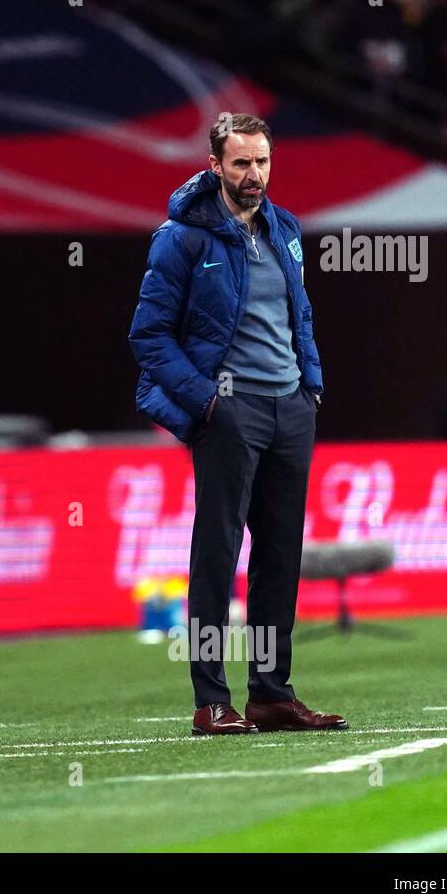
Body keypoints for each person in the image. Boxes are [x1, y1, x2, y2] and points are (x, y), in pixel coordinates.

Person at [128, 112, 346, 737]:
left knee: (279, 557)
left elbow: (299, 315)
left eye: (263, 161)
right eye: (242, 163)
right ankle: (211, 700)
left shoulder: (285, 228)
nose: (255, 174)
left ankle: (271, 694)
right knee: (217, 555)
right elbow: (148, 336)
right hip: (230, 410)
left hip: (290, 407)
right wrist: (206, 401)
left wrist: (310, 387)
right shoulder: (181, 238)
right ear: (215, 165)